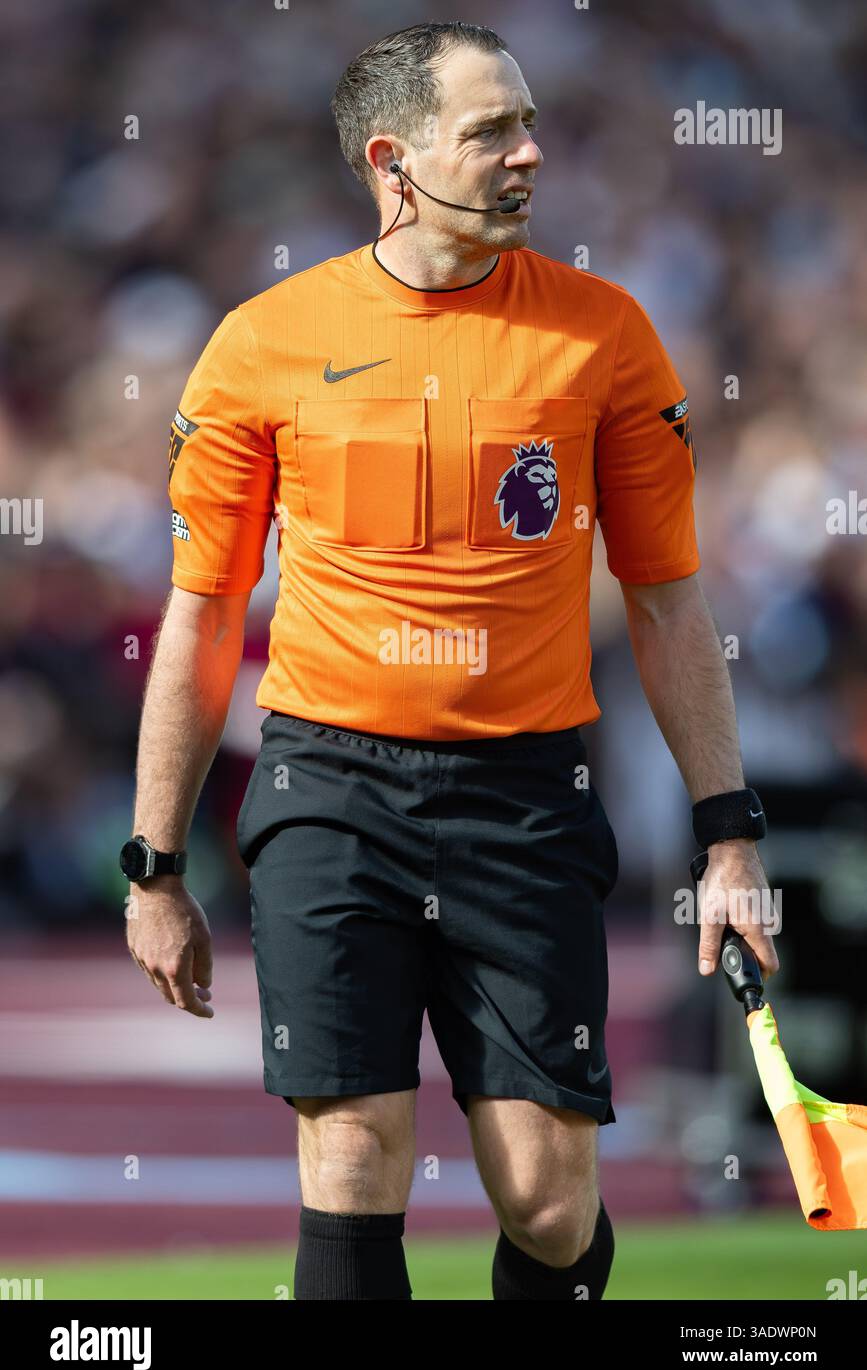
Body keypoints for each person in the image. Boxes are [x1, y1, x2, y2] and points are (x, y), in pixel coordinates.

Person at [121, 20, 779, 1301]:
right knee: (355, 1157)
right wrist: (153, 861)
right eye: (491, 131)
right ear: (394, 160)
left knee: (544, 1199)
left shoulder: (607, 338)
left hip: (526, 794)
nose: (530, 152)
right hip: (328, 787)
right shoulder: (263, 341)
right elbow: (199, 617)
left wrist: (730, 833)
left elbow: (668, 603)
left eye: (529, 123)